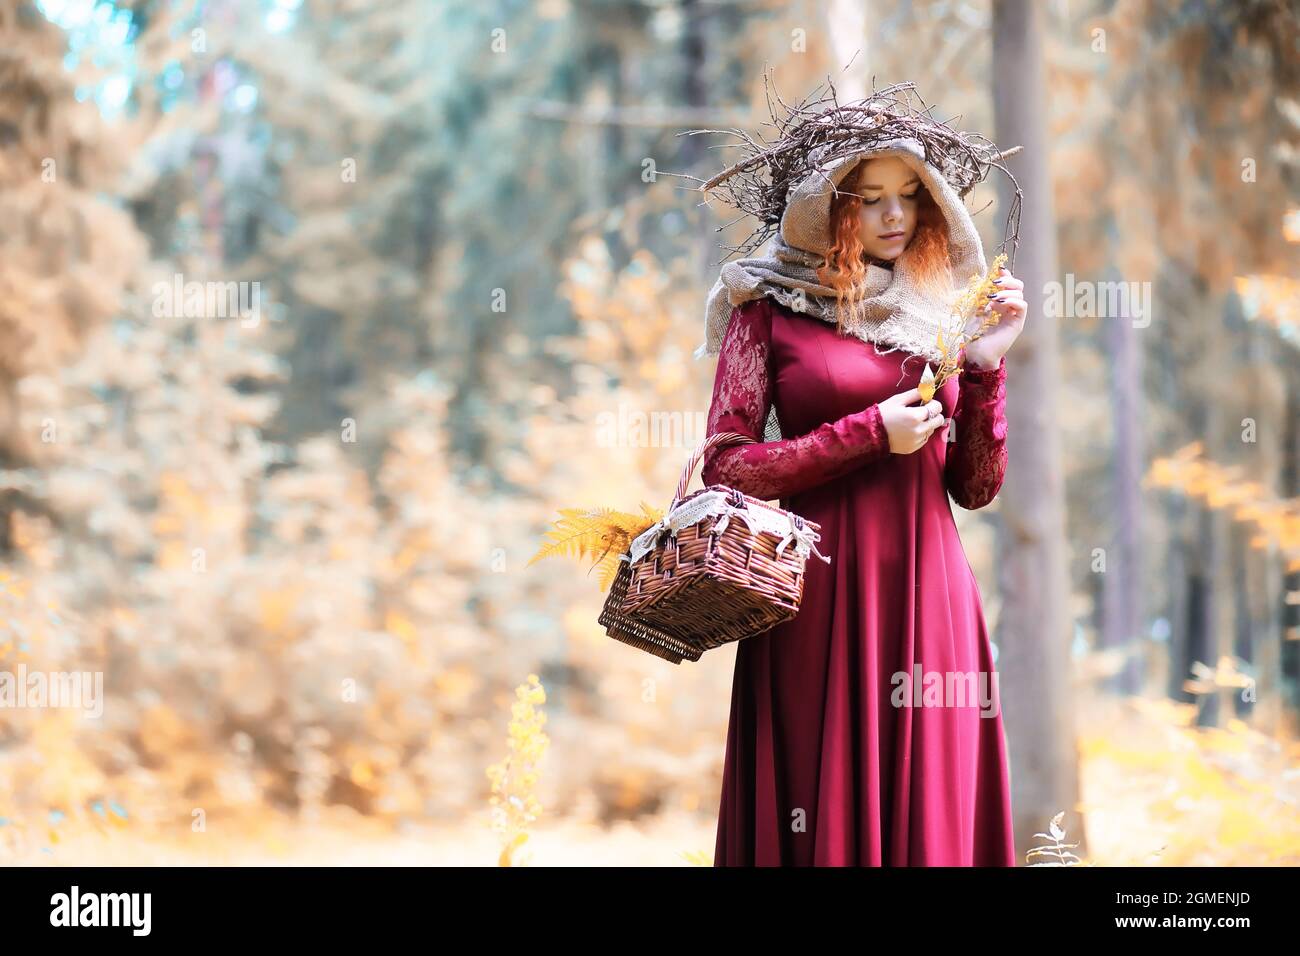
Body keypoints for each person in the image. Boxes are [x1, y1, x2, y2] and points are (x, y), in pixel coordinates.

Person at [700, 135, 1028, 866]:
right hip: (813, 600)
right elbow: (724, 471)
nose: (894, 216)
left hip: (928, 594)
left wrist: (983, 366)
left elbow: (975, 488)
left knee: (932, 821)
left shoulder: (940, 315)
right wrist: (868, 434)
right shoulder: (768, 309)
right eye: (869, 198)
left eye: (908, 197)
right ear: (825, 210)